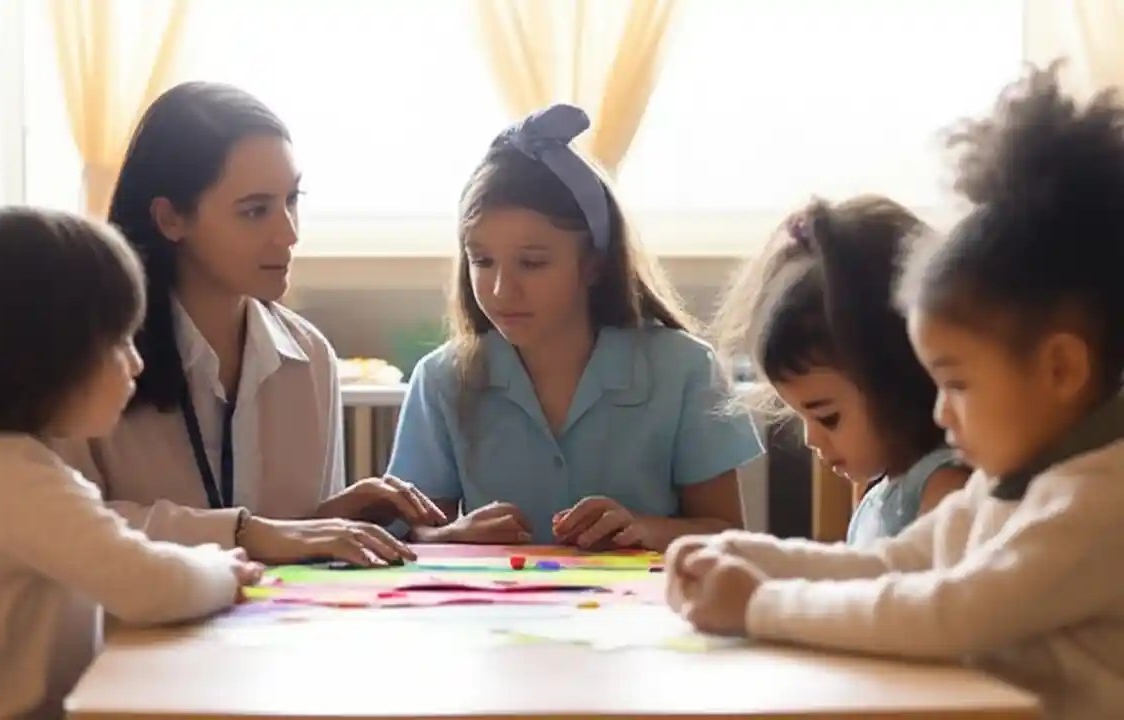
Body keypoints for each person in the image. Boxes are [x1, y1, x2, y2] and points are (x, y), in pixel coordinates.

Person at [667, 65, 1124, 720]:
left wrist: (757, 603)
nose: (940, 411)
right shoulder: (1017, 483)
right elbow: (901, 562)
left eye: (957, 383)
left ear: (1060, 369)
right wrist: (754, 557)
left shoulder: (1098, 501)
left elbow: (950, 612)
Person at [0, 208, 262, 719]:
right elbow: (147, 585)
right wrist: (223, 569)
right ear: (38, 358)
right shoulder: (6, 479)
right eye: (118, 343)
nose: (137, 363)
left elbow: (114, 556)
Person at [54, 82, 444, 567]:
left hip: (266, 637)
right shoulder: (86, 361)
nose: (289, 233)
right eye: (255, 211)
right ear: (171, 218)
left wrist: (331, 519)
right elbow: (66, 530)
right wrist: (247, 532)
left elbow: (292, 553)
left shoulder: (310, 357)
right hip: (135, 638)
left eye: (292, 199)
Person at [385, 104, 762, 550]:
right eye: (482, 261)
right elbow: (410, 537)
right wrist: (452, 536)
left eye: (533, 262)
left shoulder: (684, 369)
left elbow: (726, 534)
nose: (502, 291)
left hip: (641, 615)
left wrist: (645, 528)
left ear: (593, 266)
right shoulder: (442, 380)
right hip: (491, 616)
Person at [709, 195, 969, 546]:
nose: (810, 440)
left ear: (901, 379)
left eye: (828, 417)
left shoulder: (945, 491)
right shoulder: (879, 486)